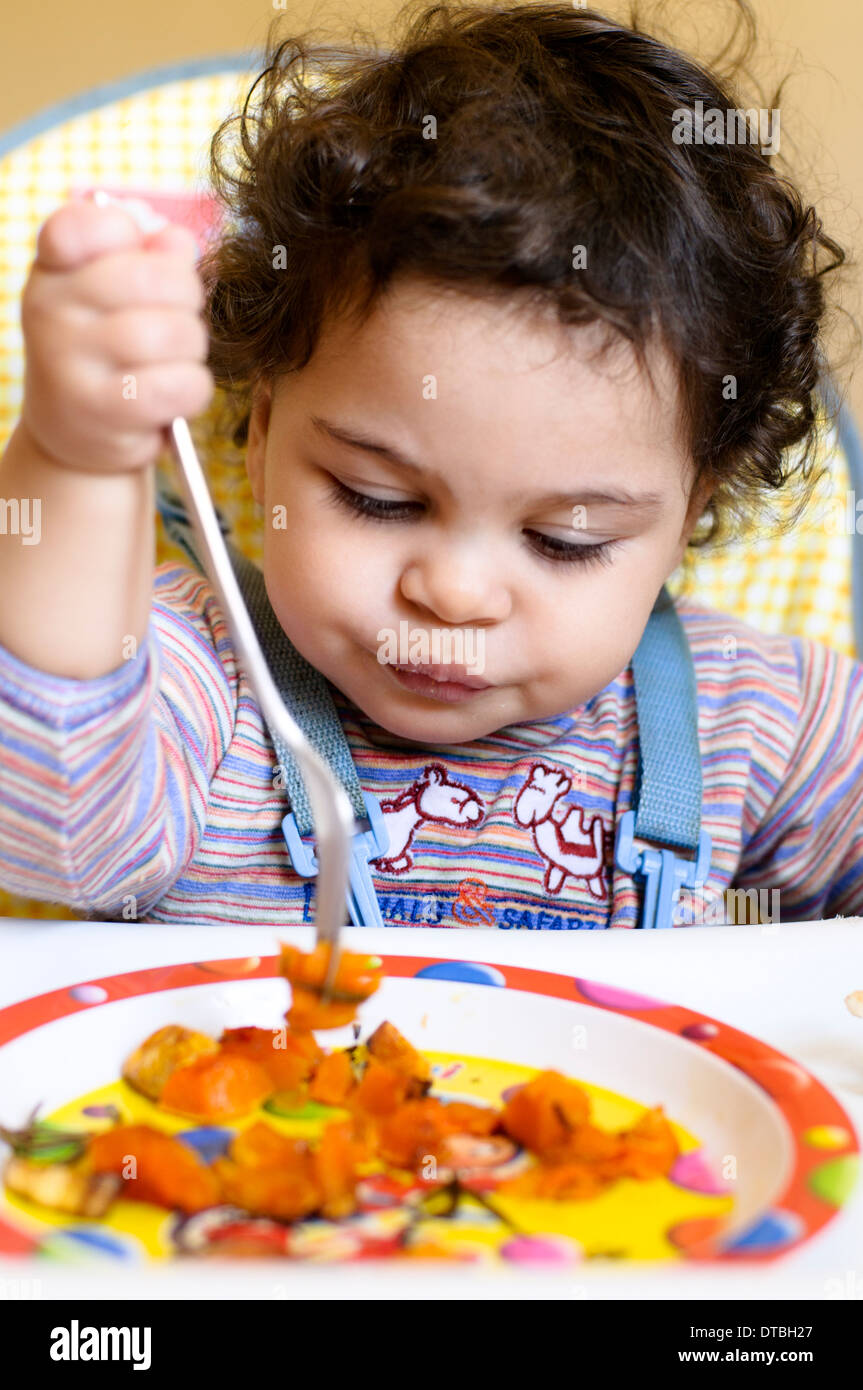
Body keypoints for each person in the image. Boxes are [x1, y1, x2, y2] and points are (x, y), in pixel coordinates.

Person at [0, 1, 861, 930]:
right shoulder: (200, 688)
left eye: (564, 539)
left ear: (692, 512)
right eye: (377, 499)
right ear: (257, 432)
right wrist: (78, 458)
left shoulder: (746, 717)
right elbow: (58, 820)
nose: (453, 594)